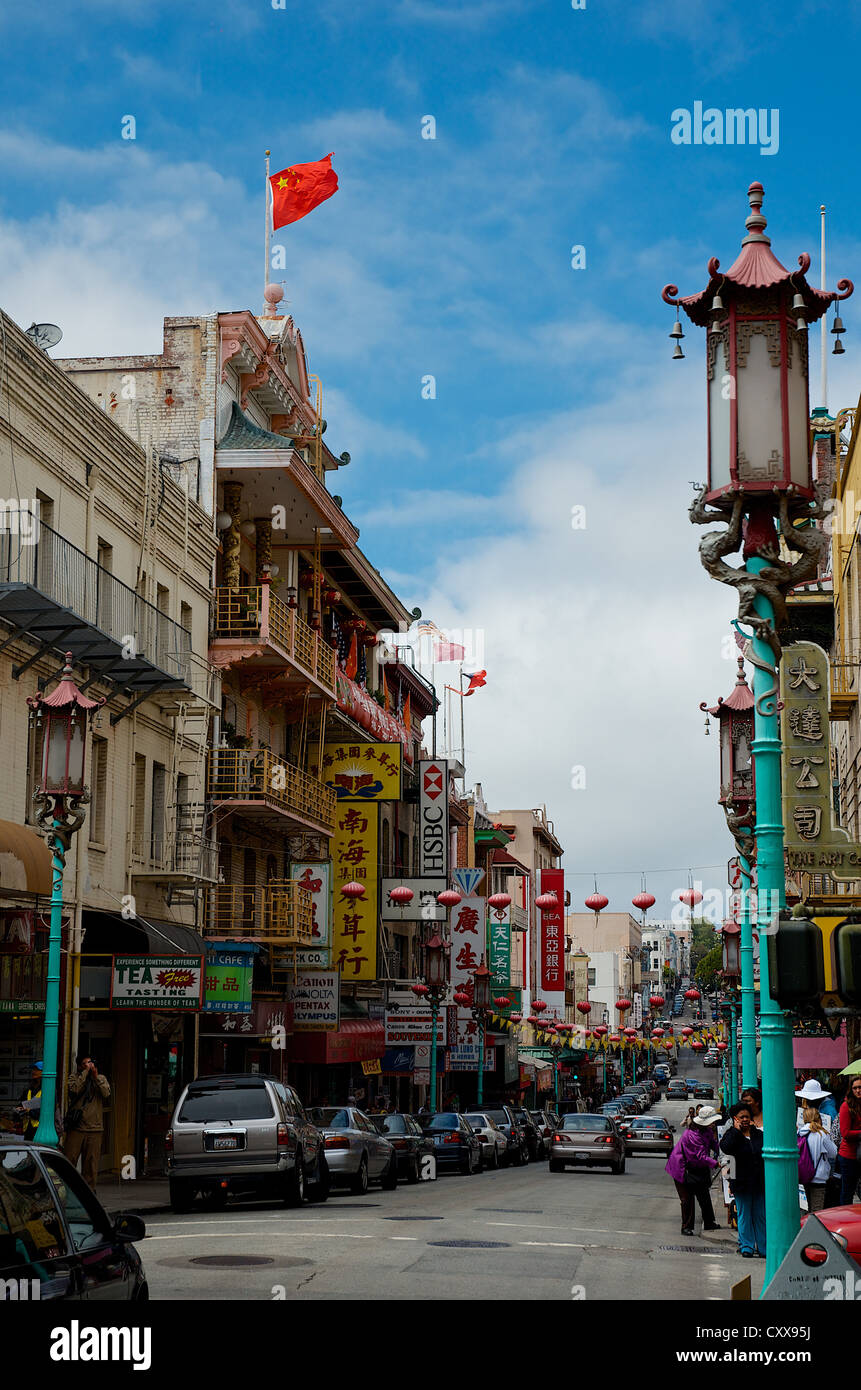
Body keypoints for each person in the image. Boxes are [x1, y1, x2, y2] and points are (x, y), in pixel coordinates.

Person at [665, 1104, 723, 1236]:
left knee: (704, 1195)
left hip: (698, 1168)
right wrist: (716, 1163)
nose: (714, 1124)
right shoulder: (692, 1135)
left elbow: (714, 1145)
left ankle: (709, 1222)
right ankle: (686, 1226)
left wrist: (723, 1152)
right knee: (687, 1199)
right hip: (683, 1168)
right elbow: (699, 1156)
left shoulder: (706, 1131)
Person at [720, 1102, 765, 1258]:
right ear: (735, 1119)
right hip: (741, 1183)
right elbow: (725, 1148)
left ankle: (763, 1247)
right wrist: (735, 1130)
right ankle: (747, 1247)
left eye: (747, 1116)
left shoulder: (759, 1135)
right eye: (741, 1117)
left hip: (759, 1183)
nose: (745, 1119)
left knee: (760, 1216)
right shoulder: (732, 1135)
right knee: (744, 1215)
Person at [63, 1055, 110, 1191]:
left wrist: (95, 1077)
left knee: (91, 1165)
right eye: (85, 1063)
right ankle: (67, 1190)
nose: (89, 1065)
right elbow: (74, 1090)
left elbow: (106, 1094)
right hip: (77, 1128)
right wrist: (85, 1073)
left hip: (95, 1129)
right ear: (80, 1066)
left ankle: (89, 1192)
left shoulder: (100, 1078)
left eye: (91, 1062)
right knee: (70, 1160)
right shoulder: (74, 1078)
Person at [798, 1104, 837, 1213]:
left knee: (809, 1208)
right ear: (818, 1118)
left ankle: (807, 1228)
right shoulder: (822, 1134)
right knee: (817, 1211)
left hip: (805, 1175)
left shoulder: (800, 1133)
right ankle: (811, 1230)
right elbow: (833, 1153)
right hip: (819, 1177)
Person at [837, 1075, 861, 1206]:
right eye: (855, 1088)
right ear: (851, 1090)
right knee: (847, 1193)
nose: (858, 1091)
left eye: (860, 1087)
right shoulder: (846, 1106)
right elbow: (845, 1133)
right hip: (849, 1156)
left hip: (859, 1154)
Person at [14, 1062, 43, 1140]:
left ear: (43, 1072)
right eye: (33, 1069)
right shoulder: (28, 1090)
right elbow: (21, 1104)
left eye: (37, 1069)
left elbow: (47, 1111)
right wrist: (18, 1109)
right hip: (27, 1130)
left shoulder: (47, 1091)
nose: (33, 1071)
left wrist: (29, 1111)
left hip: (40, 1130)